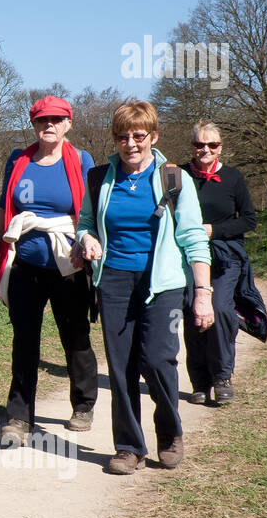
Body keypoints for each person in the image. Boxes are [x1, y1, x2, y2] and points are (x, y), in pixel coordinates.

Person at [76, 100, 213, 474]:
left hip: (164, 283)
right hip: (115, 281)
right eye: (122, 136)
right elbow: (85, 221)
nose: (131, 144)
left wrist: (203, 293)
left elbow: (194, 238)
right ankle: (128, 447)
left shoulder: (174, 178)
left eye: (139, 136)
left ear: (153, 136)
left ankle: (169, 433)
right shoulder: (100, 178)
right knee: (120, 367)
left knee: (156, 360)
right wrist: (85, 238)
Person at [0, 95, 97, 445]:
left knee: (75, 336)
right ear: (33, 123)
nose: (50, 125)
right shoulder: (18, 160)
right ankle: (18, 417)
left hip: (70, 264)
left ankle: (84, 403)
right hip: (26, 263)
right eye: (43, 120)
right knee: (24, 340)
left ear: (68, 124)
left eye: (57, 120)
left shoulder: (82, 160)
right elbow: (4, 209)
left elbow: (91, 210)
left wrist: (89, 247)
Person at [181, 120, 256, 405]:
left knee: (221, 311)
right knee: (192, 313)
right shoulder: (177, 175)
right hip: (188, 255)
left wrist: (214, 230)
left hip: (225, 256)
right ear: (193, 146)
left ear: (220, 148)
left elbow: (249, 219)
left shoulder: (234, 177)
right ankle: (199, 381)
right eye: (200, 144)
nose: (205, 149)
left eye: (212, 145)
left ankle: (222, 377)